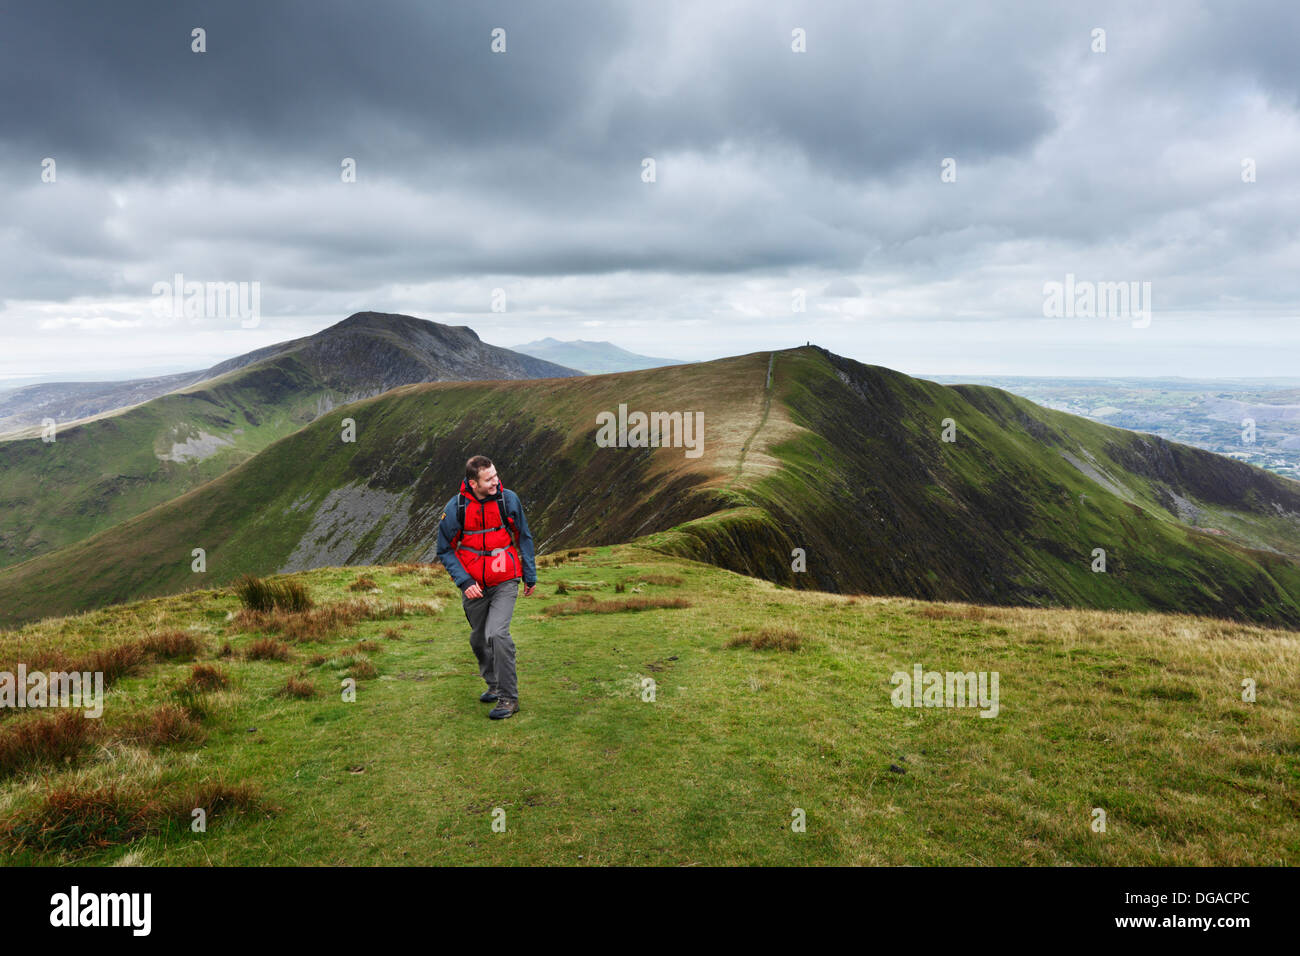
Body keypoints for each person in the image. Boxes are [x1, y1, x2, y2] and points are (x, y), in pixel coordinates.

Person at [435, 455, 537, 719]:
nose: (496, 482)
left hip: (506, 579)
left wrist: (529, 574)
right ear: (473, 483)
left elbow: (523, 536)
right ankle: (493, 684)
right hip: (474, 586)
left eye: (496, 475)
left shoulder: (508, 500)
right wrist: (465, 581)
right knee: (479, 639)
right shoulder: (456, 507)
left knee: (497, 634)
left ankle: (508, 698)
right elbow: (444, 549)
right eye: (489, 479)